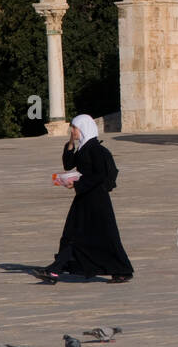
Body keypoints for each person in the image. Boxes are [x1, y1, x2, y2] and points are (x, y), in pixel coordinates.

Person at [34, 114, 134, 284]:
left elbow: (100, 175)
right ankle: (121, 270)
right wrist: (71, 144)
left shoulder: (96, 150)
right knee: (89, 236)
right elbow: (68, 164)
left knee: (81, 235)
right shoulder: (83, 148)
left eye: (74, 128)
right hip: (85, 198)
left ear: (83, 128)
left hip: (96, 201)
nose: (72, 131)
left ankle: (55, 270)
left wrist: (78, 184)